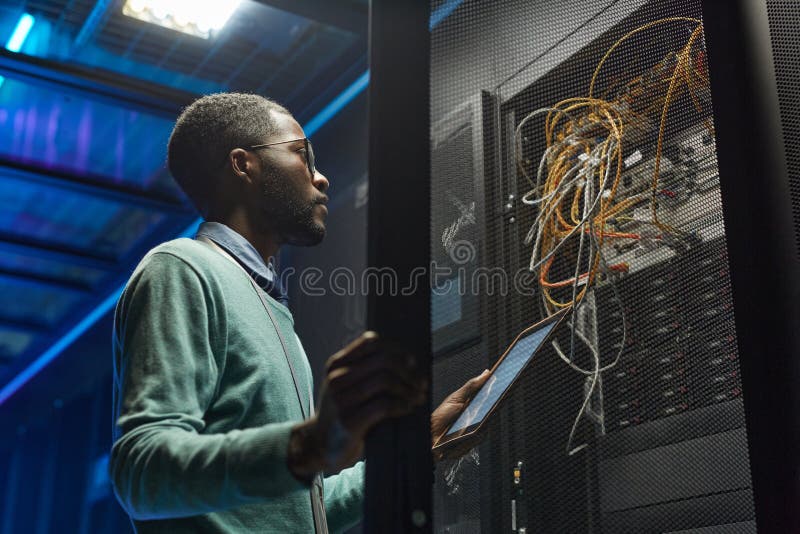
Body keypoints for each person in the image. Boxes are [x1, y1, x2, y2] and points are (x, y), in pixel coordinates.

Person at [110, 93, 489, 533]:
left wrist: (420, 448)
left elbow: (302, 510)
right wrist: (311, 444)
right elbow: (141, 472)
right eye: (301, 155)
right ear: (242, 164)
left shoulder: (269, 302)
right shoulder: (181, 268)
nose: (322, 178)